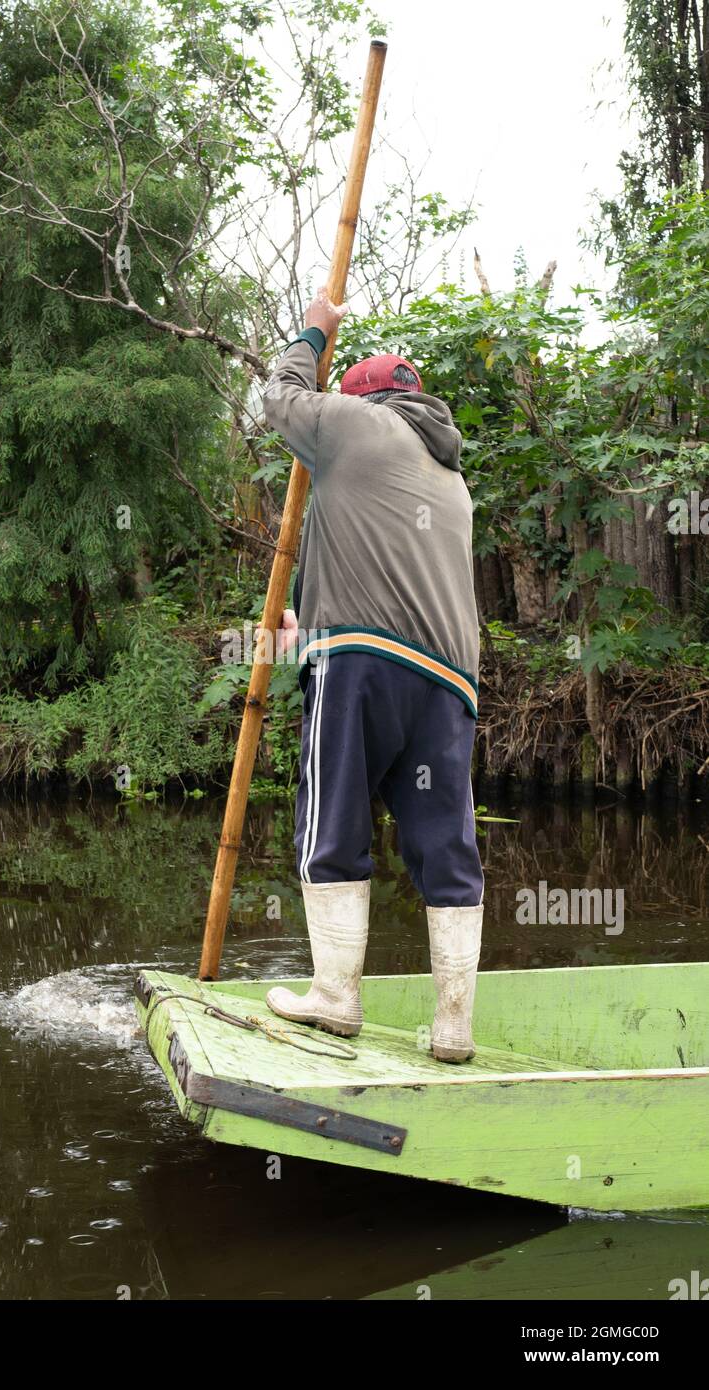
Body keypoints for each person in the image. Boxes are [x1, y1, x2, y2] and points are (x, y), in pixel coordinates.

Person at [261, 286, 484, 1063]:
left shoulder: (355, 424)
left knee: (333, 823)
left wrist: (312, 333)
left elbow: (280, 395)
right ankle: (453, 1026)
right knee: (443, 844)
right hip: (449, 678)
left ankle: (335, 997)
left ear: (359, 399)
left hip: (363, 665)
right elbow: (369, 553)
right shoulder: (449, 476)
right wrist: (307, 627)